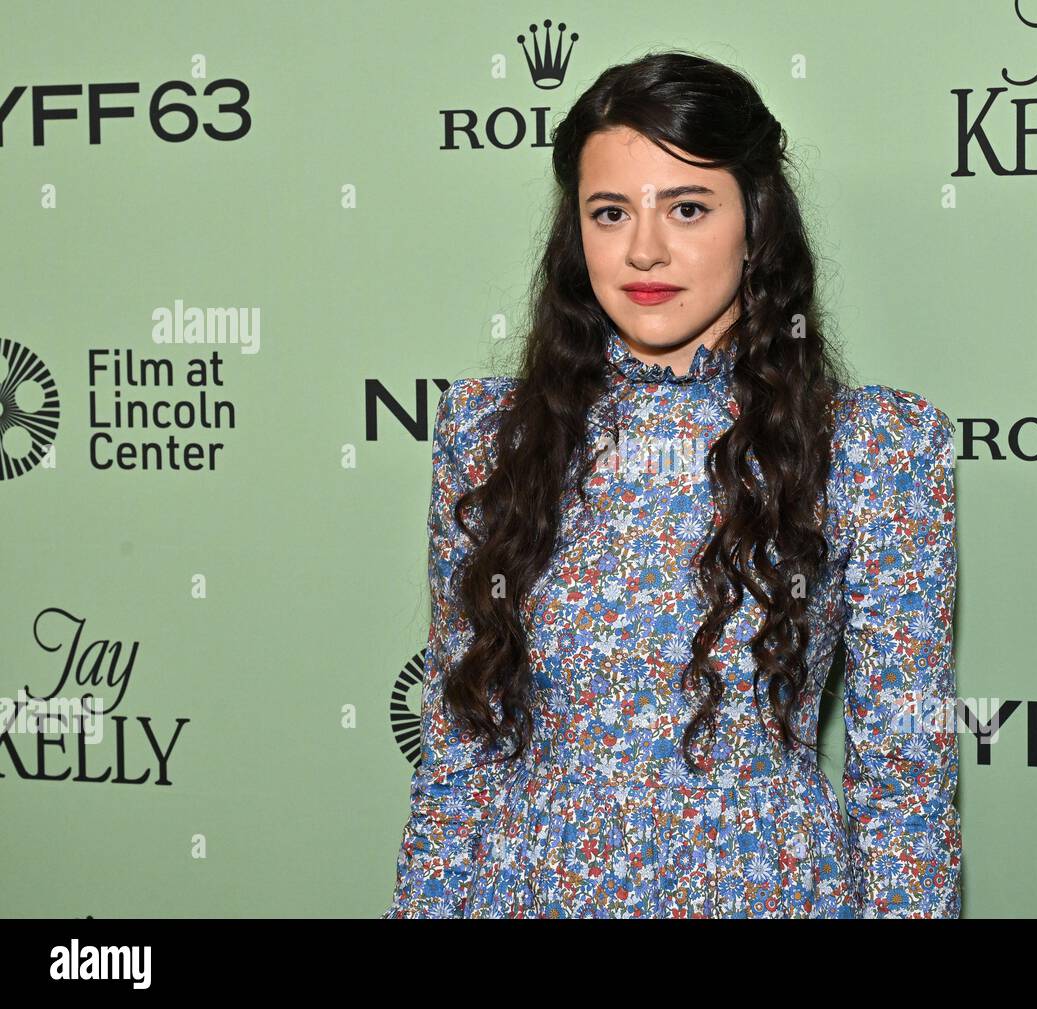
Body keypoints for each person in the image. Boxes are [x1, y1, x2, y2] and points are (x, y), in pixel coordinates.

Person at [382, 50, 961, 918]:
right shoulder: (490, 435)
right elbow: (460, 758)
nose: (644, 248)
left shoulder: (873, 446)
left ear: (756, 223)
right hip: (528, 892)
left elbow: (906, 786)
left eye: (687, 207)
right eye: (609, 212)